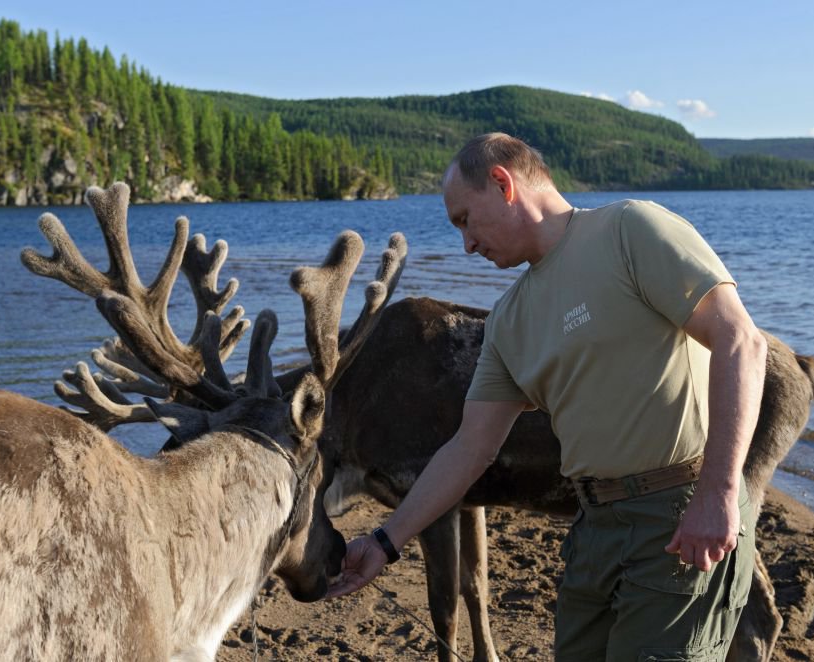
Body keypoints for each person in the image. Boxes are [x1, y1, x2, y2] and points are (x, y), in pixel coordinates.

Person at [325, 132, 768, 660]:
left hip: (678, 515)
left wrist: (717, 493)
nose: (466, 243)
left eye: (464, 219)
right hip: (593, 529)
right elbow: (470, 448)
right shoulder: (512, 318)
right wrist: (382, 543)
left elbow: (741, 341)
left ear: (501, 182)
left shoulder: (630, 230)